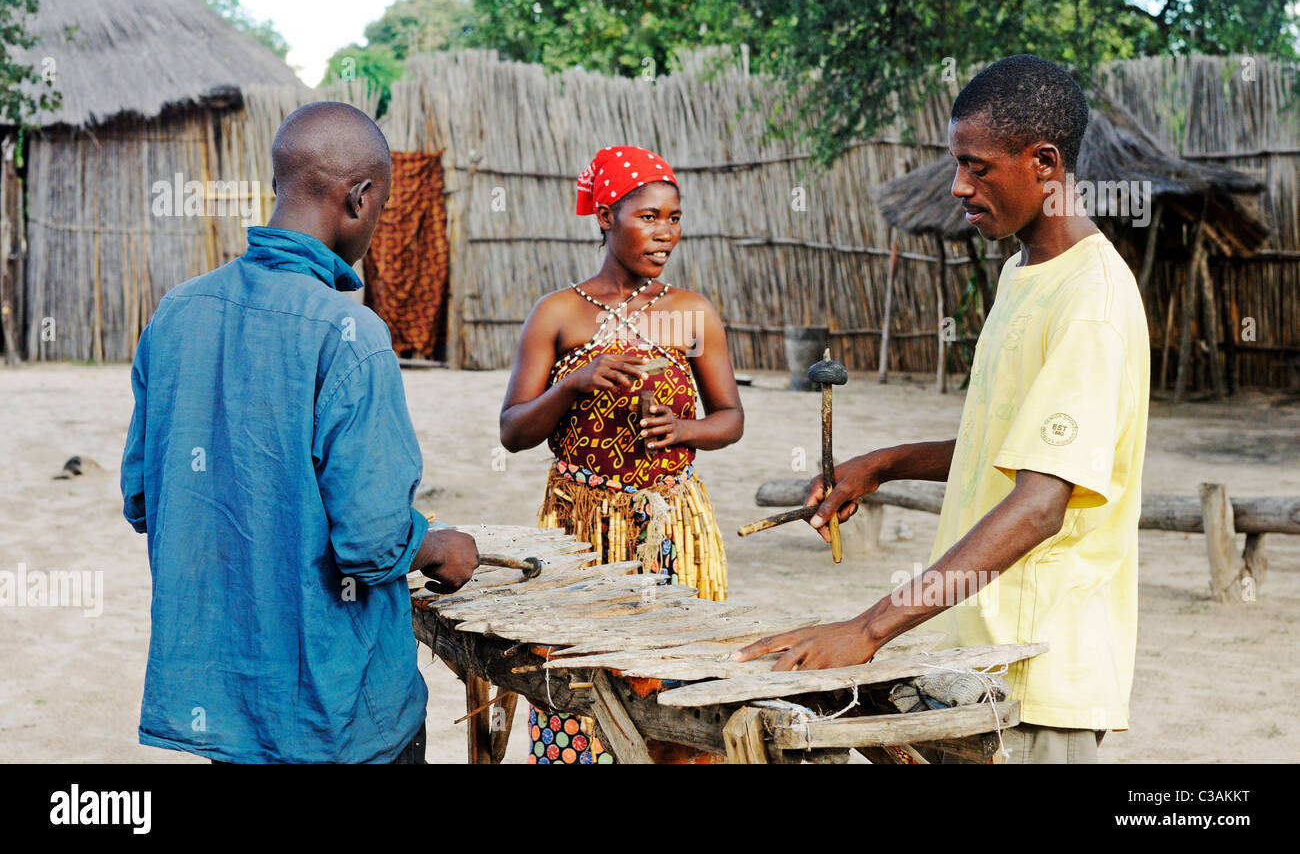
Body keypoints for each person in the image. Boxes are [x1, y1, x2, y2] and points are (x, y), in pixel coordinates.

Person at [737, 55, 1150, 764]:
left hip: (1038, 670)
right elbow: (1015, 450)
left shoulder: (1093, 303)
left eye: (977, 166)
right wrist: (885, 464)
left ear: (1044, 161)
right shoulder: (1028, 273)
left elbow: (1041, 501)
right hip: (982, 656)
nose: (959, 185)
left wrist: (870, 628)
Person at [121, 102, 479, 764]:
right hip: (345, 725)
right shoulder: (352, 337)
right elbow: (371, 542)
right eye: (380, 207)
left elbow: (143, 500)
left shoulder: (175, 314)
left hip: (228, 716)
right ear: (360, 197)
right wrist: (438, 546)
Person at [500, 144, 744, 763]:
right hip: (581, 533)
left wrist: (686, 431)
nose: (666, 234)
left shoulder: (691, 312)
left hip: (674, 526)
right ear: (605, 216)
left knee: (676, 687)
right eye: (649, 217)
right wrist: (572, 384)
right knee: (578, 684)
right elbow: (512, 431)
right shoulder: (559, 313)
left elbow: (730, 419)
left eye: (674, 218)